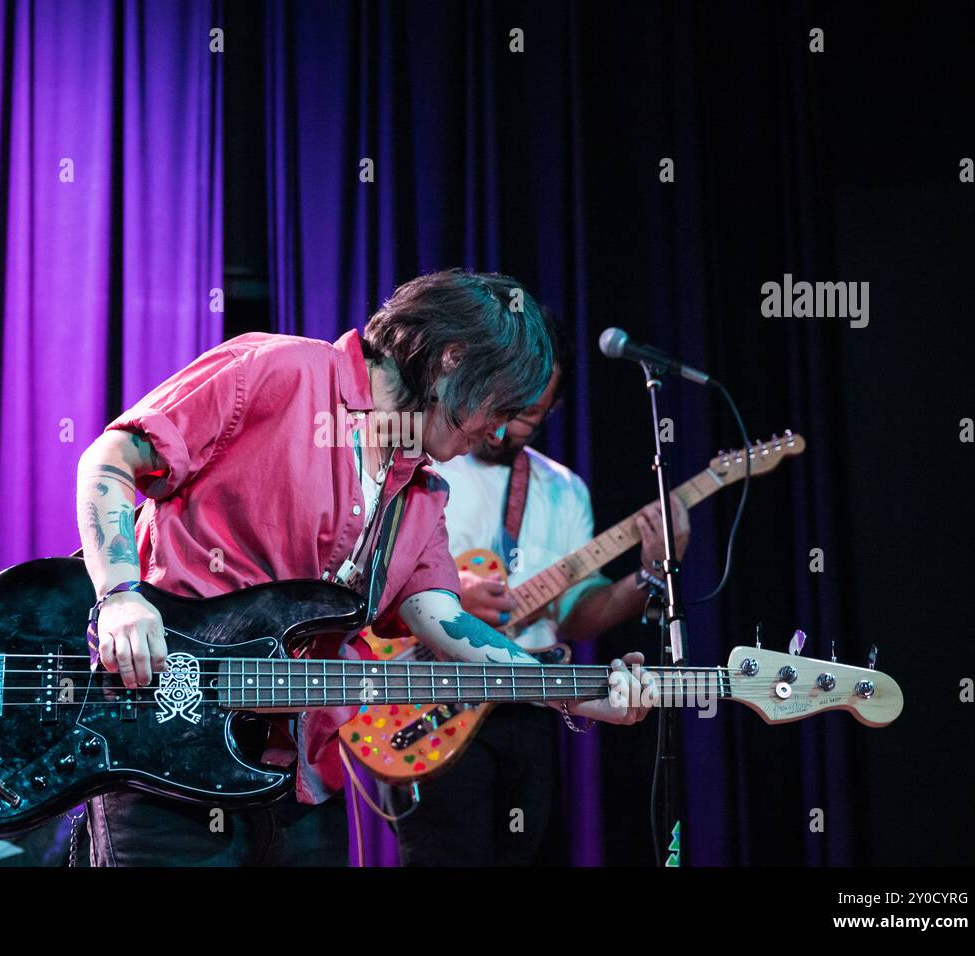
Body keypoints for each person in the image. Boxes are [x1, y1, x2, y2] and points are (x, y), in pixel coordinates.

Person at [76, 269, 655, 865]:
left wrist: (575, 692)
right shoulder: (279, 371)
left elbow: (446, 625)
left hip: (300, 779)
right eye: (499, 404)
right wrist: (120, 592)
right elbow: (113, 459)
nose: (500, 428)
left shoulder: (423, 494)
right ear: (452, 360)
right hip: (162, 756)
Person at [392, 325, 690, 866]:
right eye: (505, 408)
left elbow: (577, 615)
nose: (506, 428)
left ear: (552, 410)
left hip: (529, 700)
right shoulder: (429, 463)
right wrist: (451, 595)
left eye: (528, 415)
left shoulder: (564, 489)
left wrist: (648, 572)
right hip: (432, 693)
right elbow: (376, 579)